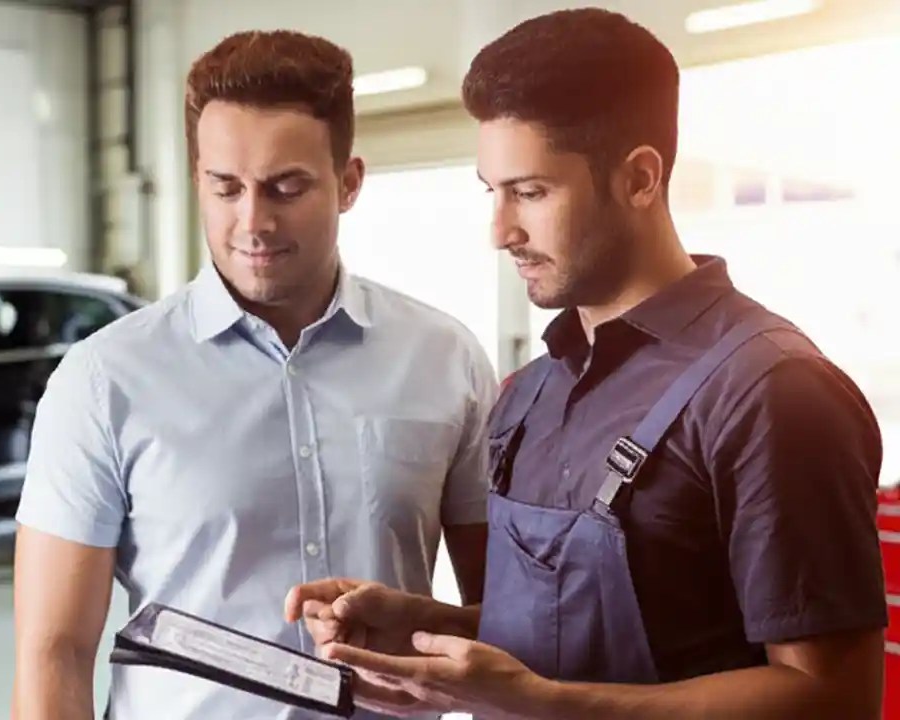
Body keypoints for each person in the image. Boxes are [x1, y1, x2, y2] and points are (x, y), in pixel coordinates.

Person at [286, 8, 887, 719]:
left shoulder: (773, 394)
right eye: (493, 192)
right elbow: (564, 643)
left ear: (639, 178)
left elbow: (833, 697)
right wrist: (428, 628)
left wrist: (550, 705)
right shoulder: (530, 394)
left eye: (531, 192)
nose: (500, 231)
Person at [11, 29, 499, 720]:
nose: (253, 221)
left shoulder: (446, 359)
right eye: (226, 187)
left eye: (286, 187)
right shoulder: (103, 380)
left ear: (349, 182)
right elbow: (53, 652)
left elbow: (508, 625)